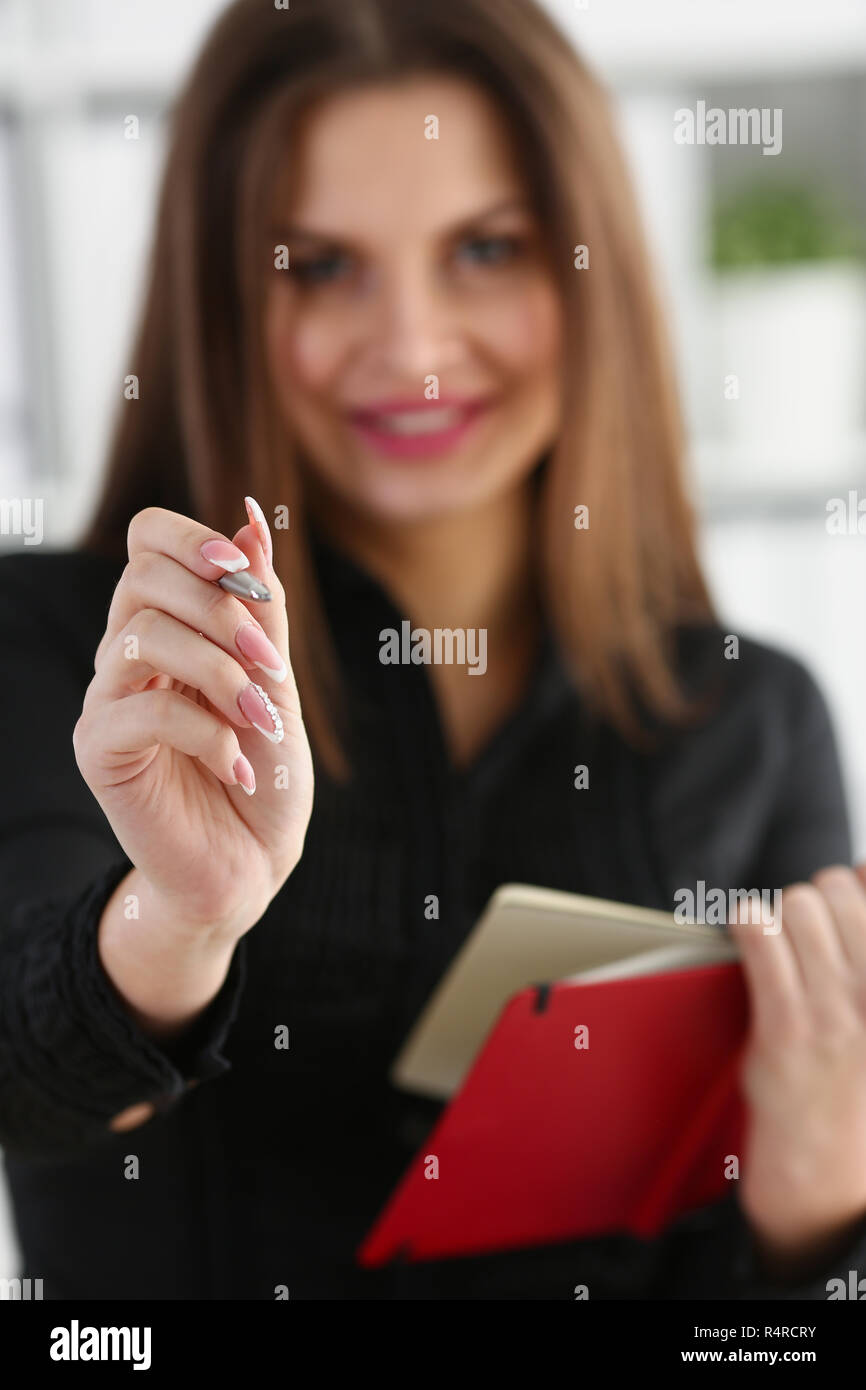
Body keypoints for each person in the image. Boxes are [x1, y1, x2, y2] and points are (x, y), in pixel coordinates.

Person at [1, 0, 865, 1301]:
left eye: (485, 248)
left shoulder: (753, 716)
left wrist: (812, 1202)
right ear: (224, 298)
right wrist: (178, 918)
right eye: (319, 266)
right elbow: (29, 1079)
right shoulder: (70, 643)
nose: (409, 349)